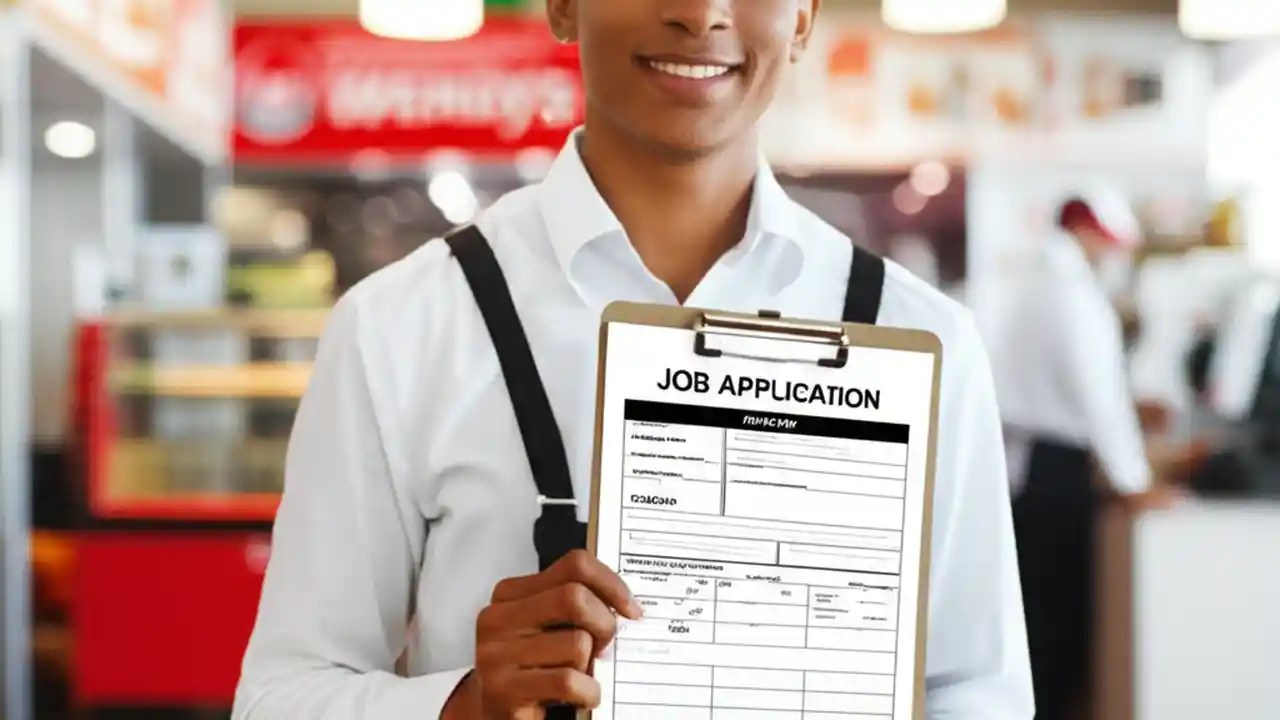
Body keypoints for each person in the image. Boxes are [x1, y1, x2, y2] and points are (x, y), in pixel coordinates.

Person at [232, 1, 1033, 718]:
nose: (700, 13)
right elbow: (280, 697)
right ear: (561, 5)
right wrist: (464, 706)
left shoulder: (924, 342)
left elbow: (979, 691)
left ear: (804, 17)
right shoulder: (401, 327)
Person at [992, 189, 1176, 720]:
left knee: (1042, 618)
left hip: (1036, 468)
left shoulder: (1043, 281)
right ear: (1091, 233)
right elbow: (1100, 398)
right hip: (1054, 473)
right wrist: (1133, 481)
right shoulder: (1067, 292)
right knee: (1057, 624)